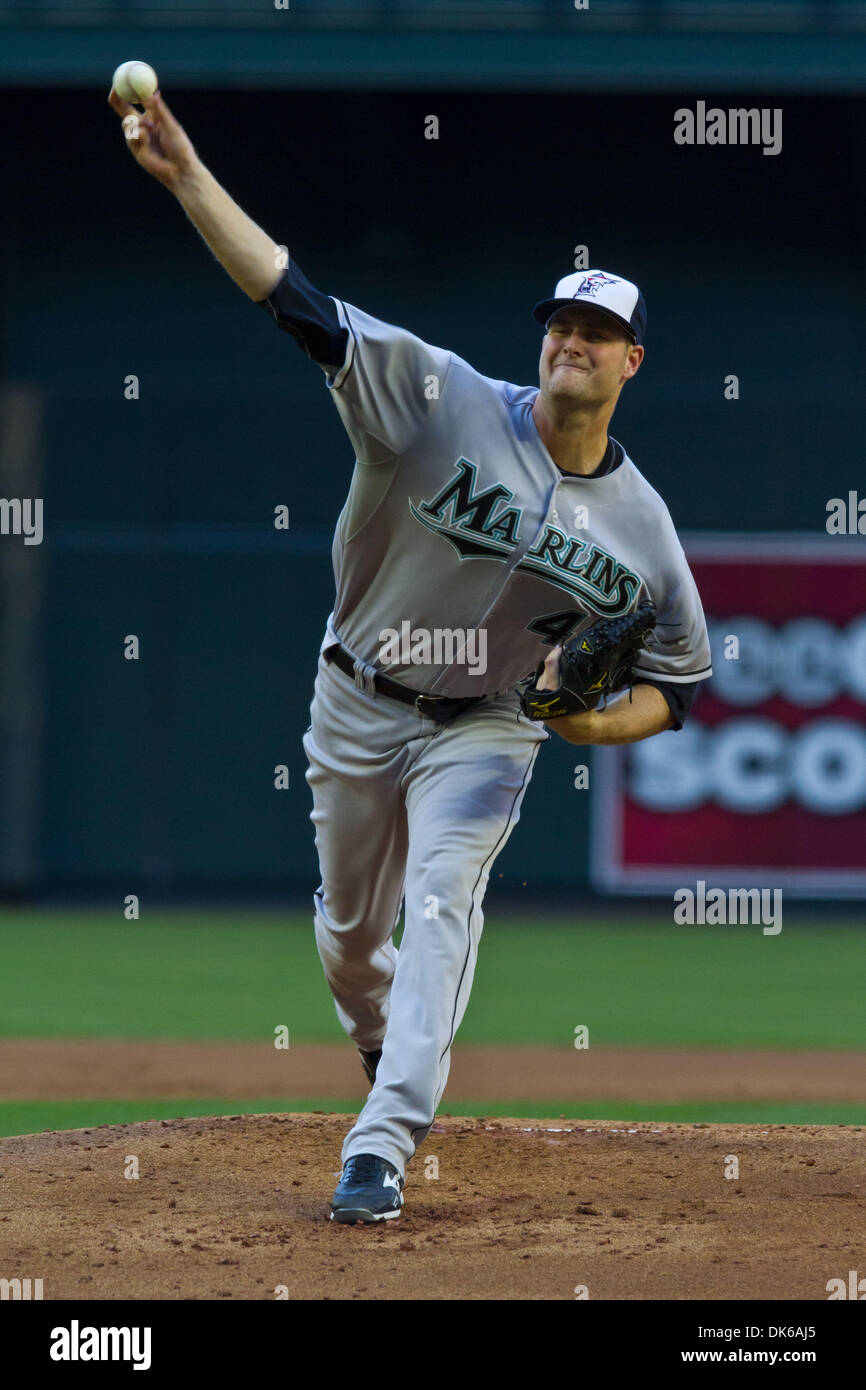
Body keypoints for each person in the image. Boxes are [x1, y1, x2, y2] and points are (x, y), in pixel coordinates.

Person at [109, 87, 712, 1224]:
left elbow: (675, 687)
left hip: (485, 728)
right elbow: (292, 297)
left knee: (441, 902)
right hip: (355, 698)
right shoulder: (439, 399)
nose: (568, 343)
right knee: (348, 945)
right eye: (557, 325)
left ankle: (380, 1146)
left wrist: (585, 722)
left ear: (631, 359)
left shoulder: (643, 529)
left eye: (593, 333)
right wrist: (188, 175)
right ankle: (388, 1048)